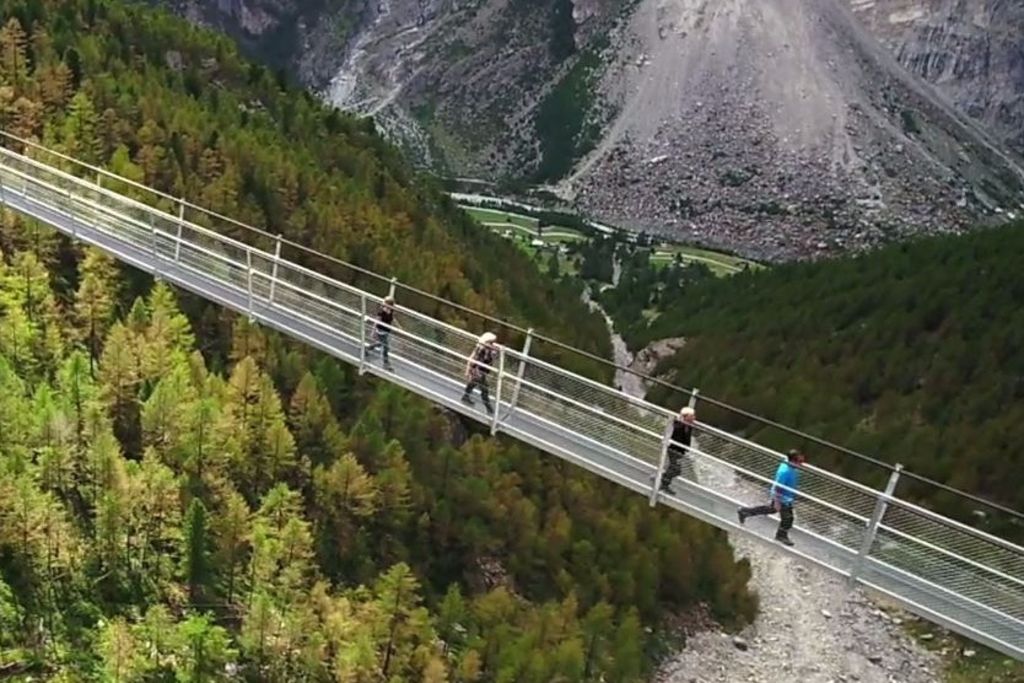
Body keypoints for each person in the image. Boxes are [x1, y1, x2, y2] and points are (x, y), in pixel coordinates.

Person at [737, 449, 806, 546]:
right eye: (800, 462)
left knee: (772, 509)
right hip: (782, 497)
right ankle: (781, 536)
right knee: (788, 518)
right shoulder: (785, 471)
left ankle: (745, 511)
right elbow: (778, 487)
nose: (801, 465)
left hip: (786, 495)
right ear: (793, 461)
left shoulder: (789, 465)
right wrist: (777, 501)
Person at [660, 406, 697, 495]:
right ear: (685, 416)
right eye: (691, 416)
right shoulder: (678, 425)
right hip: (673, 449)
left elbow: (687, 438)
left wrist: (686, 448)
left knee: (675, 469)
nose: (694, 417)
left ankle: (661, 479)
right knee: (675, 469)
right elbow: (673, 434)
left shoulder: (689, 426)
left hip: (680, 450)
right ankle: (663, 484)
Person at [461, 332, 498, 414]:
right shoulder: (482, 349)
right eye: (491, 342)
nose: (493, 344)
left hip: (480, 371)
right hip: (478, 372)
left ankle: (465, 396)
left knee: (473, 383)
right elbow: (474, 359)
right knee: (484, 389)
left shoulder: (485, 348)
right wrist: (468, 370)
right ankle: (489, 408)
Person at [365, 296, 398, 371]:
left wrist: (398, 326)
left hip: (387, 331)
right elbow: (376, 321)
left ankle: (368, 348)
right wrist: (373, 331)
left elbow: (392, 319)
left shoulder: (391, 310)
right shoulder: (381, 312)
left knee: (380, 344)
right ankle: (386, 363)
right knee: (386, 347)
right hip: (381, 331)